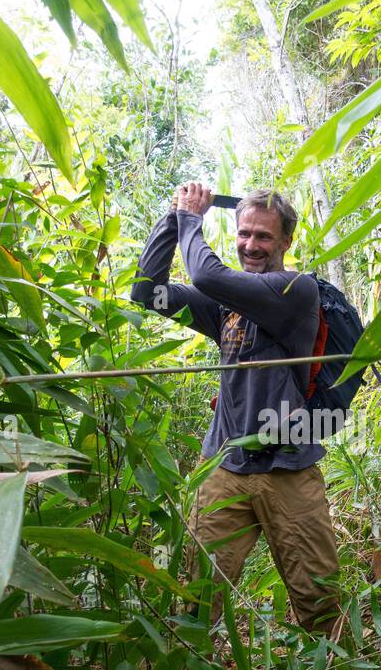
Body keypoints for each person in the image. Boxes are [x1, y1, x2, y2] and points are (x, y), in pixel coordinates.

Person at [129, 182, 340, 637]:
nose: (251, 245)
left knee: (317, 596)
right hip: (223, 467)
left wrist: (191, 220)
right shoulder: (224, 307)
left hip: (288, 469)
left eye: (264, 236)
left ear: (286, 241)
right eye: (244, 234)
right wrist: (174, 215)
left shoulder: (295, 290)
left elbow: (206, 276)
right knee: (198, 595)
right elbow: (147, 292)